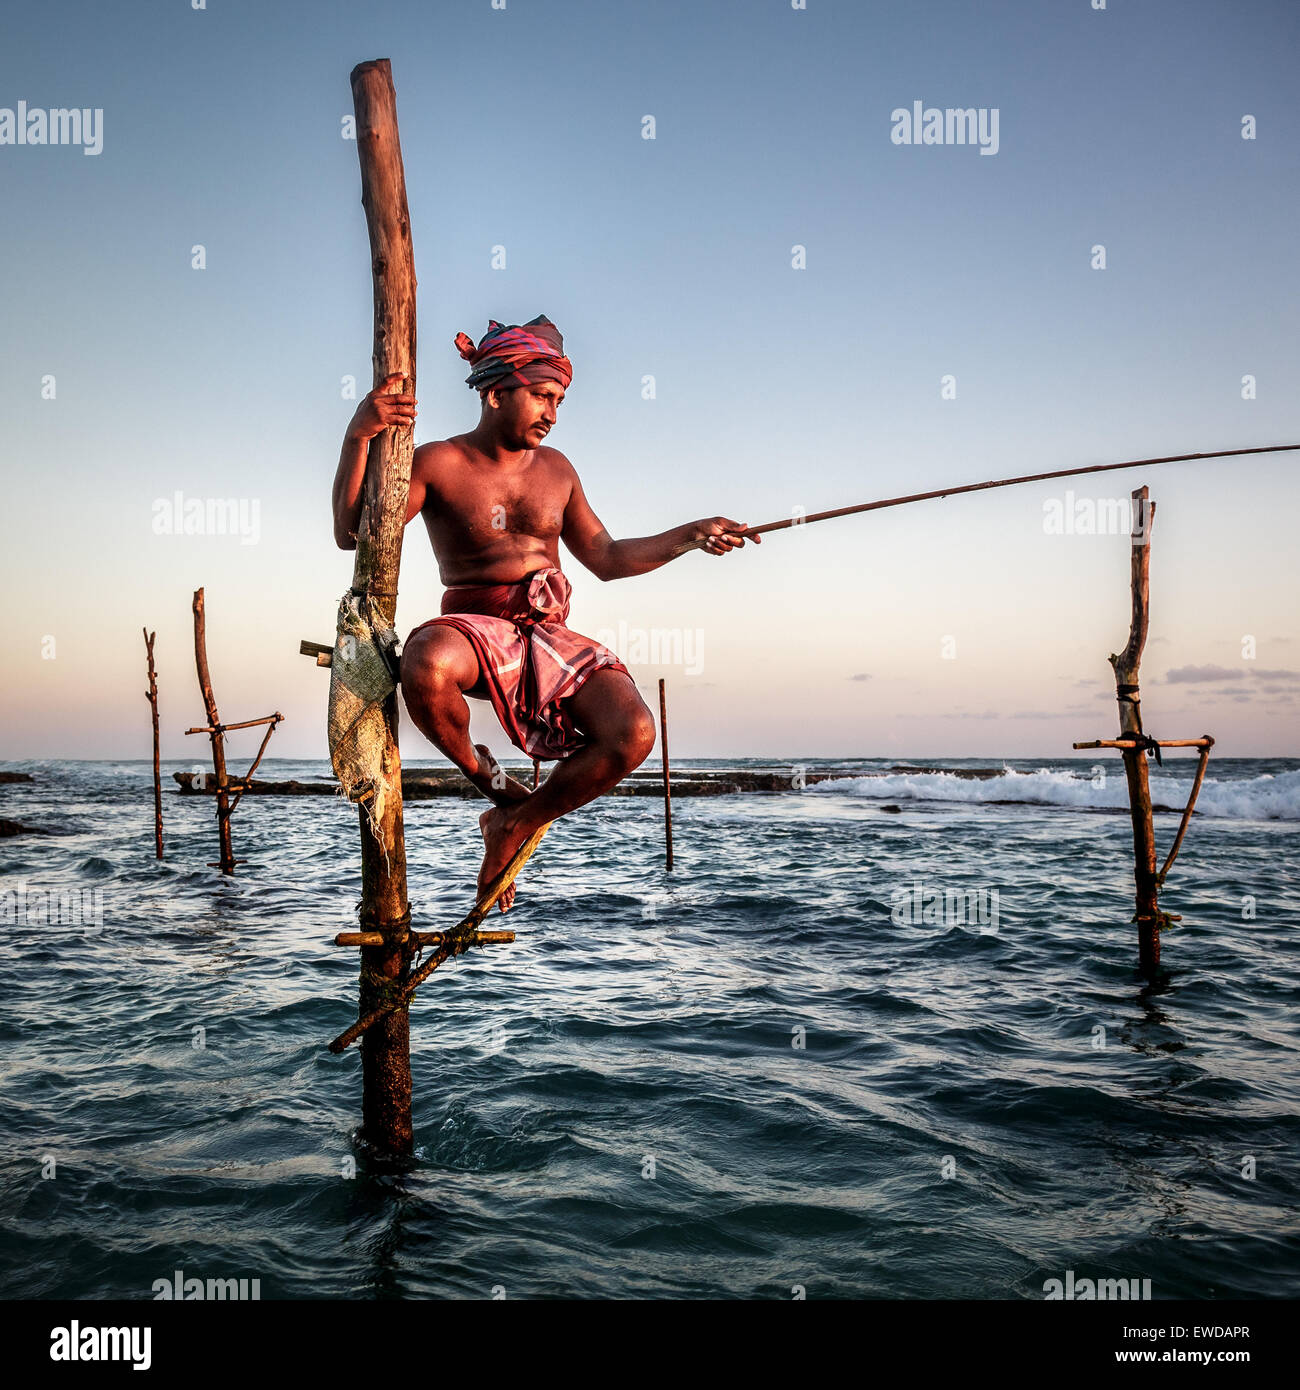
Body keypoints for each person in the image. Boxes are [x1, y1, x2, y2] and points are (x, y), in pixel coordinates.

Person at [332, 314, 758, 910]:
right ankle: (491, 784)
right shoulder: (437, 462)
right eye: (542, 395)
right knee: (425, 664)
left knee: (632, 732)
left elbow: (606, 557)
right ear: (496, 390)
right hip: (473, 629)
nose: (552, 412)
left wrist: (691, 535)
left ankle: (514, 822)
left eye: (559, 399)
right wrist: (359, 438)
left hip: (548, 637)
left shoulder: (558, 469)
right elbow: (354, 533)